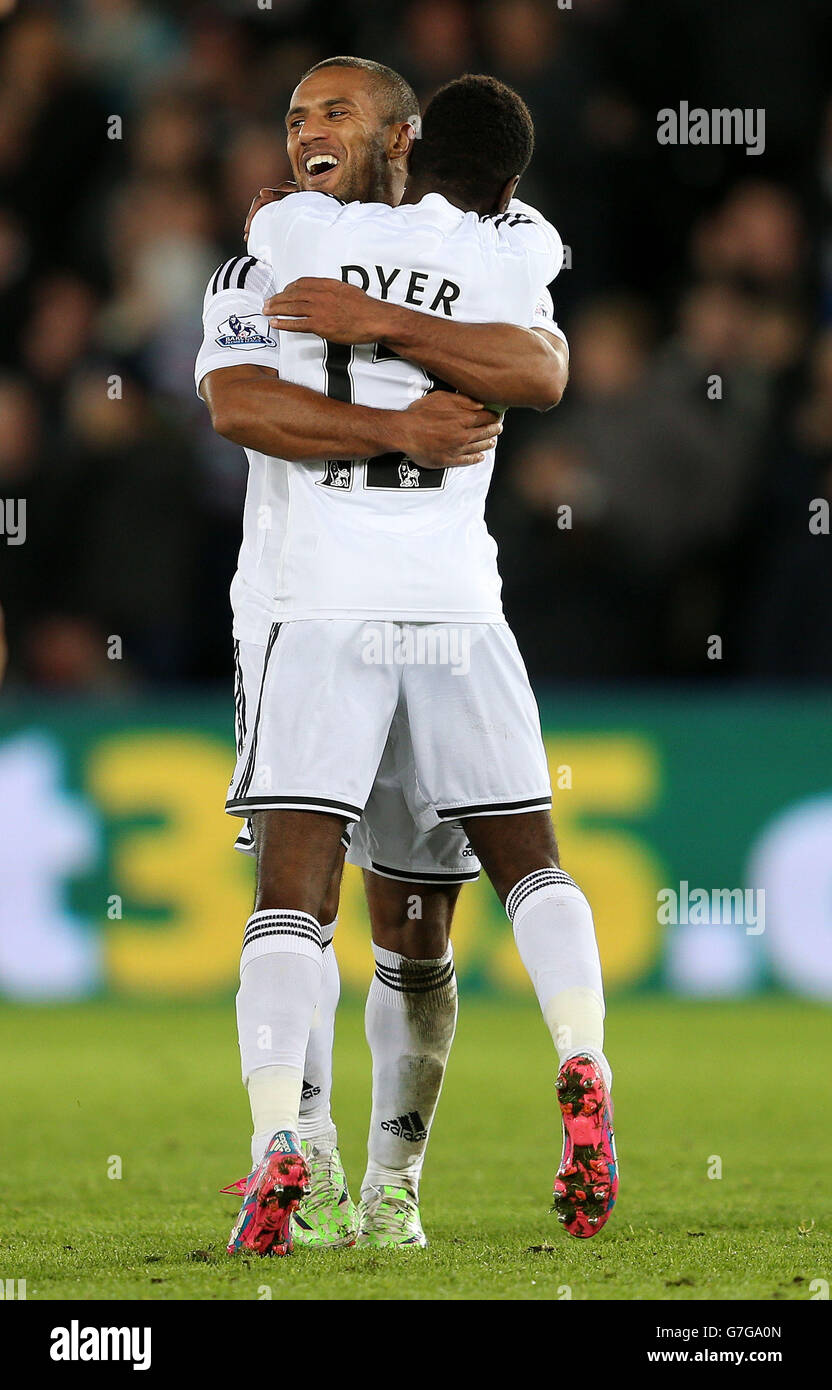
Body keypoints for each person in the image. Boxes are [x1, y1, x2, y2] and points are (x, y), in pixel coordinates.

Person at [197, 63, 603, 1260]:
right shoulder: (501, 246)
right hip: (321, 610)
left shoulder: (283, 237)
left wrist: (372, 326)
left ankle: (381, 1183)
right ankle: (314, 1165)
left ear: (402, 136)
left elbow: (250, 400)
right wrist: (405, 422)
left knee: (383, 923)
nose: (305, 132)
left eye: (332, 114)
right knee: (387, 893)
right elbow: (237, 404)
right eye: (292, 118)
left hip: (333, 618)